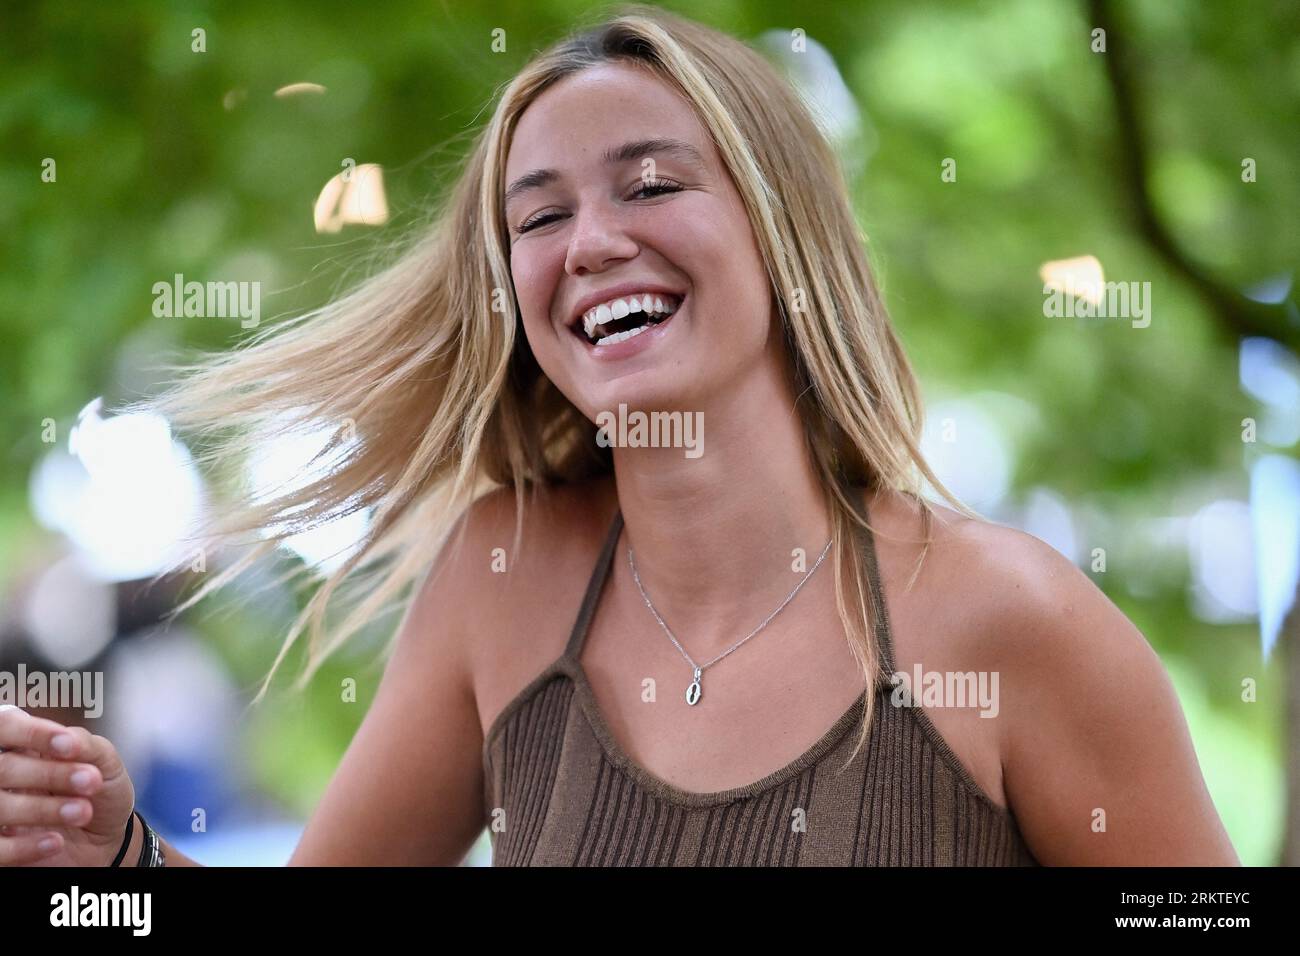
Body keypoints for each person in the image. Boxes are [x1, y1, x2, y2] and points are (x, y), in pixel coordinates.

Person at [0, 5, 1239, 867]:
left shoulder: (1007, 614)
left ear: (781, 237)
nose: (592, 239)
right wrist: (103, 856)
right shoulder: (508, 581)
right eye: (540, 217)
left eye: (651, 185)